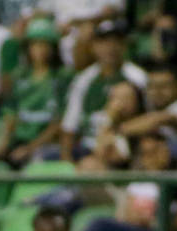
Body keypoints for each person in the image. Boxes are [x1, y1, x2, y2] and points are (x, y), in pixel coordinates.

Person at [0, 17, 69, 167]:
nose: (41, 49)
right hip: (20, 138)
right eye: (36, 44)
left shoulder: (62, 77)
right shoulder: (19, 75)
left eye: (45, 44)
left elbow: (60, 121)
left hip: (47, 143)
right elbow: (11, 112)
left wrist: (32, 148)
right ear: (28, 48)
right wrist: (4, 144)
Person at [60, 19, 146, 162]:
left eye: (116, 42)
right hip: (86, 148)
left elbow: (147, 116)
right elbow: (70, 124)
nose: (110, 47)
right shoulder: (84, 79)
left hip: (122, 147)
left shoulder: (138, 77)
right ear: (93, 46)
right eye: (103, 42)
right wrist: (65, 160)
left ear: (124, 46)